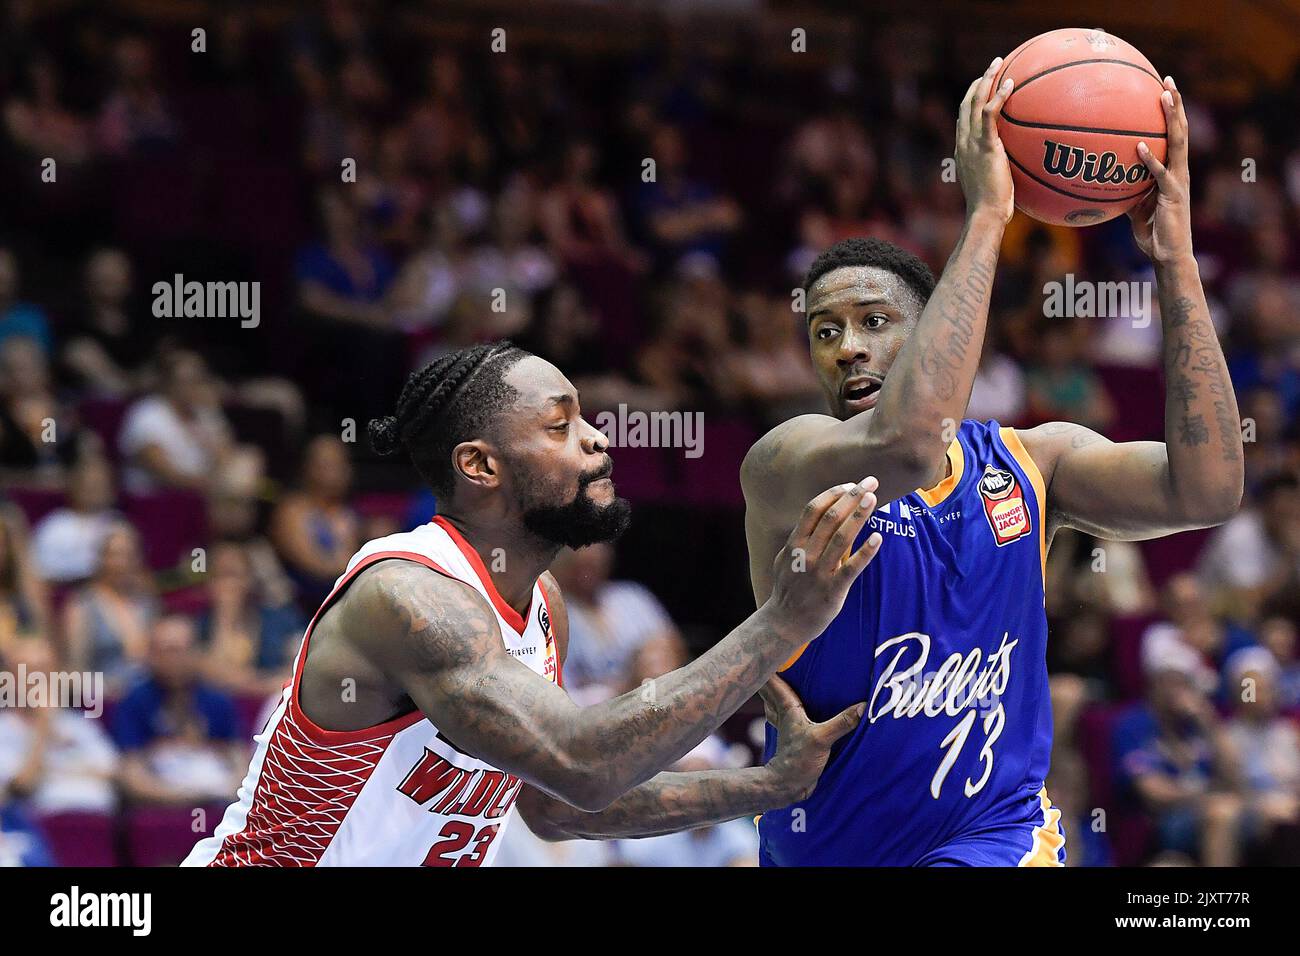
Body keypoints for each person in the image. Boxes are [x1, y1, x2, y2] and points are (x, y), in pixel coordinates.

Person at [740, 64, 1244, 865]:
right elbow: (904, 446)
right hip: (823, 846)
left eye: (874, 321)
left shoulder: (1033, 463)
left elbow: (1209, 488)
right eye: (824, 333)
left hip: (995, 836)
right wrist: (988, 217)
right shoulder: (786, 461)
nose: (849, 348)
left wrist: (1176, 262)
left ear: (940, 324)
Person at [184, 341, 882, 867]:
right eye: (560, 426)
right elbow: (585, 762)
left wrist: (770, 784)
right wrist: (782, 623)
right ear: (481, 465)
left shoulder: (543, 605)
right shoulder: (410, 599)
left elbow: (556, 804)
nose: (598, 438)